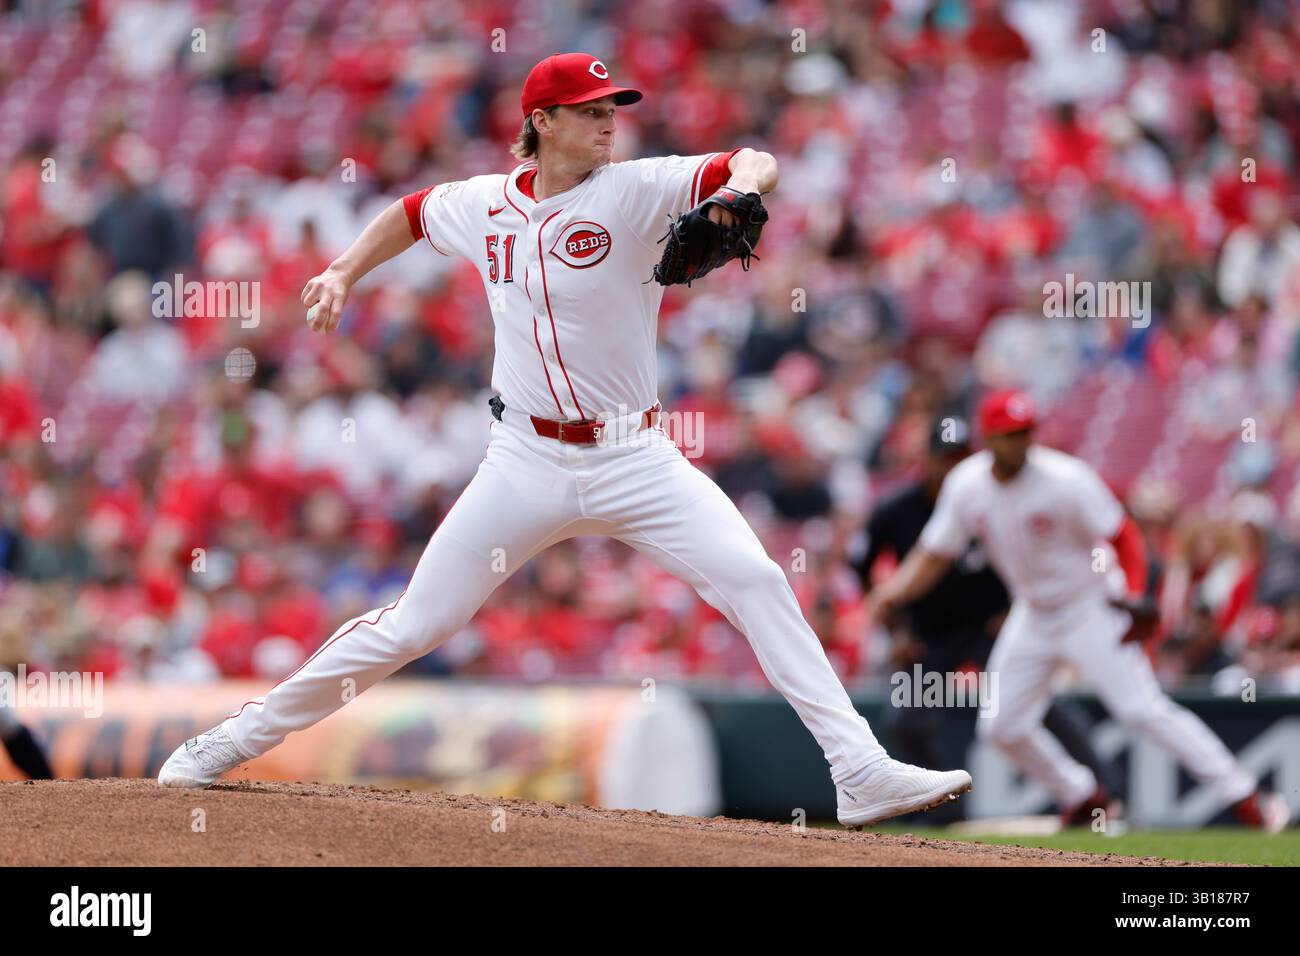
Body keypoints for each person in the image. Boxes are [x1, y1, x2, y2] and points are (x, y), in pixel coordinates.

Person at [158, 52, 971, 829]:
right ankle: (234, 740)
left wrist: (747, 188)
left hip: (636, 456)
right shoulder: (484, 203)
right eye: (589, 112)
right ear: (541, 121)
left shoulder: (638, 188)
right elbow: (410, 214)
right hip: (525, 461)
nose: (609, 122)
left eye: (612, 107)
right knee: (414, 625)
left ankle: (858, 770)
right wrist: (341, 272)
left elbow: (751, 159)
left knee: (755, 579)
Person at [872, 389, 1290, 830]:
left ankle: (1247, 796)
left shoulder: (1065, 478)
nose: (1019, 442)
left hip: (1089, 605)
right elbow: (934, 553)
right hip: (1033, 613)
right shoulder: (967, 486)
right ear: (988, 438)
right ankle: (1082, 794)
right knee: (1000, 727)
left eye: (1025, 432)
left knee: (1140, 709)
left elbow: (1122, 535)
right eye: (1009, 434)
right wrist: (891, 593)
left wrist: (1132, 594)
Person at [856, 415, 1121, 822]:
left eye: (960, 456)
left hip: (993, 628)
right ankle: (943, 815)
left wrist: (1017, 610)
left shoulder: (988, 493)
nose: (951, 466)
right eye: (945, 457)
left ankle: (1104, 797)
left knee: (1045, 709)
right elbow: (867, 573)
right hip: (932, 638)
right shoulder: (896, 511)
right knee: (908, 718)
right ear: (926, 459)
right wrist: (897, 631)